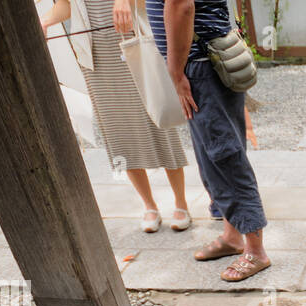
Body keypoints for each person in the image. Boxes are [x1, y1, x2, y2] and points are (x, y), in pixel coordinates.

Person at [40, 0, 193, 234]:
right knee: (118, 132)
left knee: (159, 126)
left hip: (135, 44)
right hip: (97, 58)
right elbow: (65, 7)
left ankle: (181, 202)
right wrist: (44, 21)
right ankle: (149, 206)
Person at [149, 0, 271, 281]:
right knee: (214, 156)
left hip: (202, 62)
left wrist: (176, 72)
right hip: (205, 59)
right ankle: (233, 235)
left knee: (225, 157)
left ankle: (255, 249)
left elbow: (181, 5)